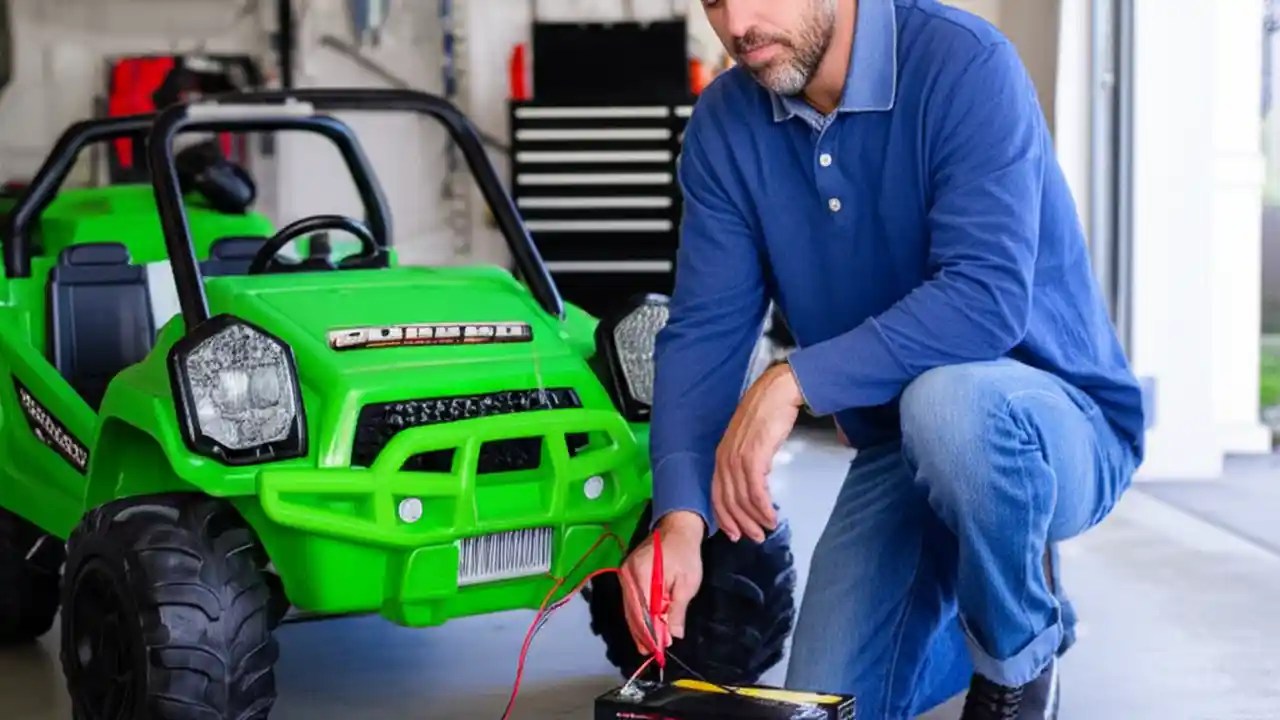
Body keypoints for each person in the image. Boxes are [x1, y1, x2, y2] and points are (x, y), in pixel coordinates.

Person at [616, 0, 1146, 718]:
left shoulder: (965, 64)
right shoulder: (725, 123)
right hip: (897, 445)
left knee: (950, 406)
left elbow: (983, 299)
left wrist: (794, 379)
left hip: (1050, 429)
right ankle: (1000, 608)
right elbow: (705, 331)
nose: (737, 23)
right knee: (819, 704)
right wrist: (678, 519)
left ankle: (1018, 660)